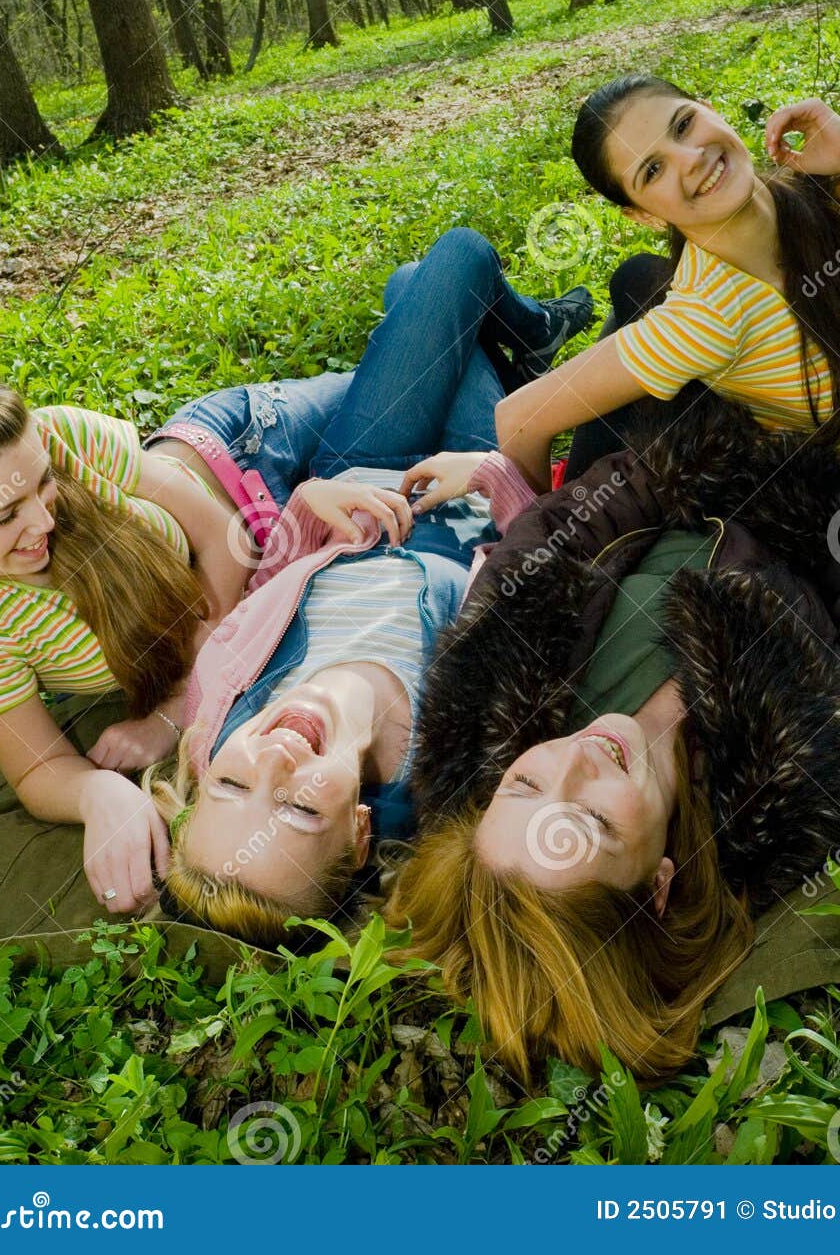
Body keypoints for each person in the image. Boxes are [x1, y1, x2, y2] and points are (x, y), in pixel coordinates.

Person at [0, 228, 589, 918]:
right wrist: (99, 793)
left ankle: (488, 339)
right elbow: (36, 769)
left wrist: (185, 691)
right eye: (5, 517)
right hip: (391, 513)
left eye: (43, 484)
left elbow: (234, 548)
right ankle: (499, 341)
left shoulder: (62, 440)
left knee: (437, 295)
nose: (44, 519)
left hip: (253, 460)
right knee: (427, 298)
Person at [385, 388, 840, 1084]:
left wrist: (695, 462)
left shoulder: (491, 688)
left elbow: (560, 526)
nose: (574, 761)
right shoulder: (817, 776)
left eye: (523, 784)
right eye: (590, 819)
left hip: (676, 462)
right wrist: (805, 491)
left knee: (643, 293)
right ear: (657, 887)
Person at [151, 230, 591, 943]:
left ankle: (523, 332)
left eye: (230, 787)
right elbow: (551, 587)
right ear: (358, 835)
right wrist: (491, 480)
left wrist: (308, 503)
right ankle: (524, 334)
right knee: (425, 282)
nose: (275, 762)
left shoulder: (223, 705)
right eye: (298, 811)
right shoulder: (449, 751)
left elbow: (269, 584)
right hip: (473, 493)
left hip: (363, 461)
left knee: (451, 262)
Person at [497, 81, 840, 580]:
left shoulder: (836, 193)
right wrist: (532, 537)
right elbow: (520, 420)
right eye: (653, 169)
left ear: (711, 109)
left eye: (684, 124)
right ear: (642, 214)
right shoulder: (704, 316)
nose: (689, 158)